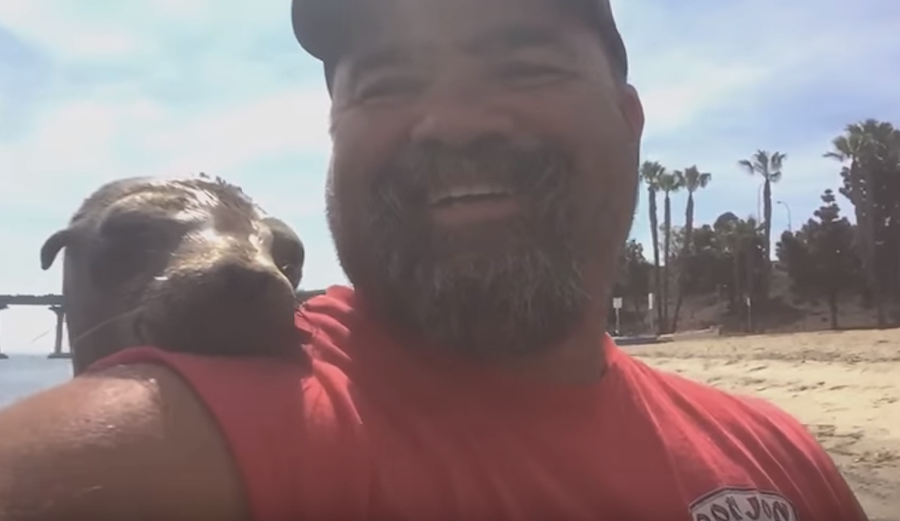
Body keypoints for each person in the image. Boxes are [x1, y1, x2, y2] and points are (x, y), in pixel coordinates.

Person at [0, 0, 870, 519]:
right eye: (386, 83)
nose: (453, 121)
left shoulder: (780, 454)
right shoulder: (242, 411)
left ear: (629, 118)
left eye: (524, 66)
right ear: (335, 140)